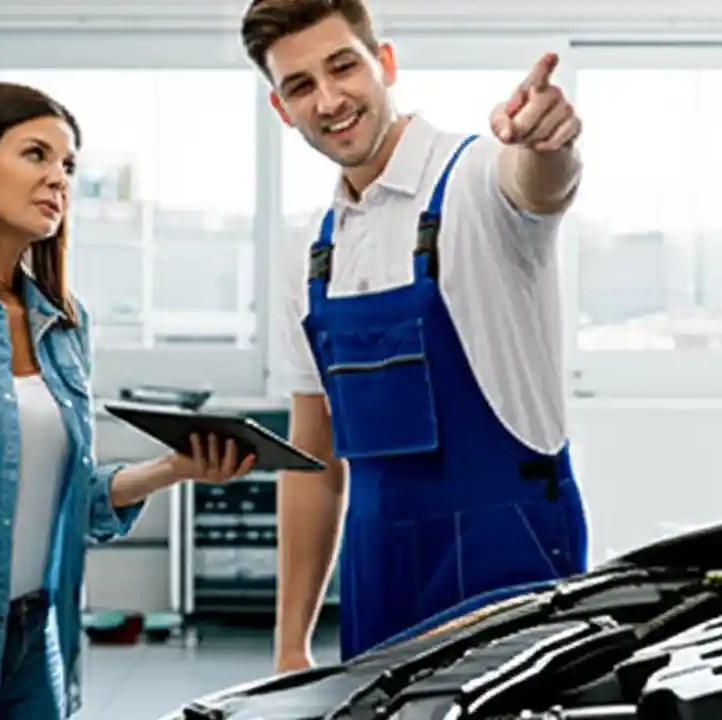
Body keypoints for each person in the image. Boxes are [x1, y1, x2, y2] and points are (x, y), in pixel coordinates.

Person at [240, 0, 591, 669]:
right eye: (301, 86)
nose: (330, 99)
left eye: (344, 67)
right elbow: (312, 463)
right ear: (282, 109)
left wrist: (553, 147)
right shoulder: (311, 255)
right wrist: (291, 643)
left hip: (508, 552)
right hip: (377, 569)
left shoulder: (478, 177)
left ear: (386, 64)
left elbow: (540, 186)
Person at [0, 80, 255, 719]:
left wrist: (175, 470)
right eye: (35, 154)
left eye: (68, 164)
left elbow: (64, 501)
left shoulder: (64, 325)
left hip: (39, 635)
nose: (58, 178)